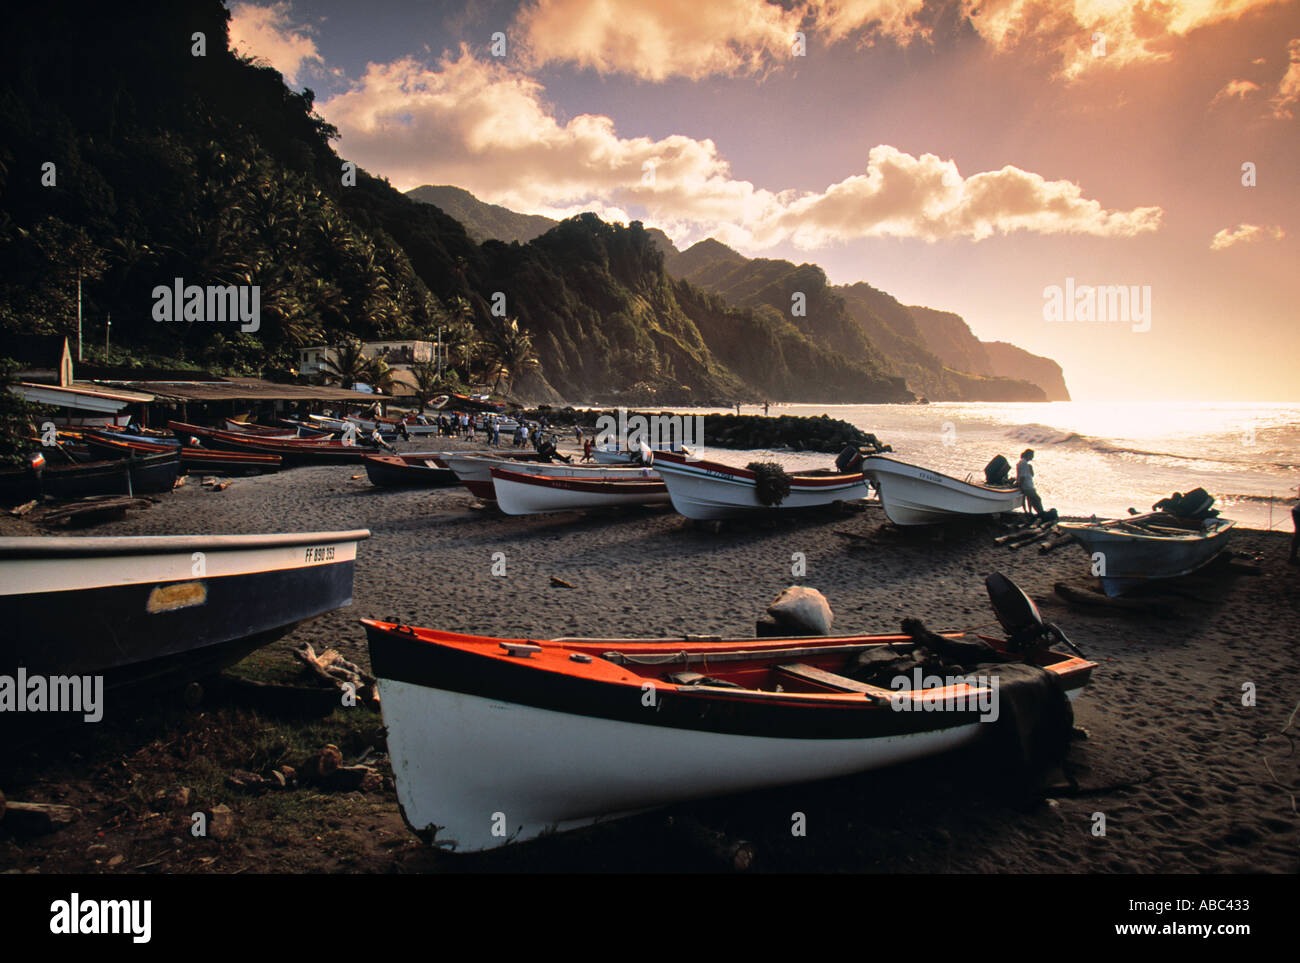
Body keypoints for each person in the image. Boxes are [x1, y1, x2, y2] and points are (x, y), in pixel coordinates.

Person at [1016, 449, 1046, 516]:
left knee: (1033, 500)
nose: (1032, 457)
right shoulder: (1024, 463)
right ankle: (1041, 513)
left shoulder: (1022, 463)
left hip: (1027, 485)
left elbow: (1025, 475)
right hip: (1027, 486)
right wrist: (1020, 486)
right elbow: (1022, 476)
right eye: (1032, 455)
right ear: (1028, 455)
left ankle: (1038, 512)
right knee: (1036, 499)